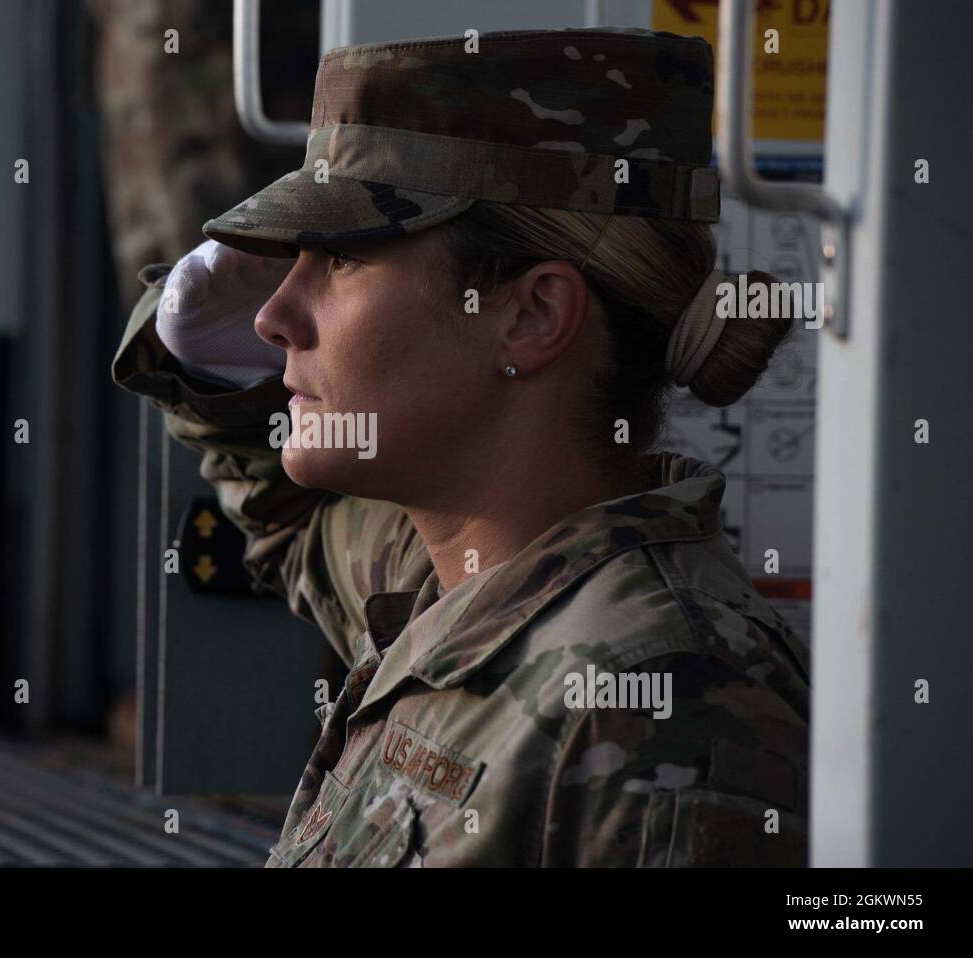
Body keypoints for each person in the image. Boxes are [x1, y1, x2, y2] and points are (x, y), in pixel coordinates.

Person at [112, 27, 811, 867]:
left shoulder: (664, 704)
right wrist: (194, 351)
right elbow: (285, 511)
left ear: (531, 316)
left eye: (337, 260)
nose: (272, 318)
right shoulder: (443, 571)